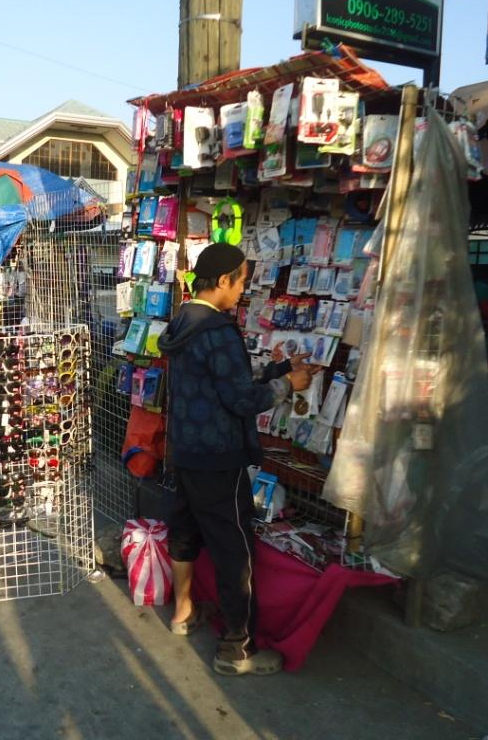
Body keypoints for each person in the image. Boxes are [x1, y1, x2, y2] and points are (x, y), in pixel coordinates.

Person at [156, 243, 315, 678]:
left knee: (185, 529)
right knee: (233, 552)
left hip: (186, 451)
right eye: (242, 280)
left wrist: (278, 372)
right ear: (224, 280)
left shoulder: (183, 323)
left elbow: (221, 386)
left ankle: (183, 613)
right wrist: (290, 387)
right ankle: (237, 649)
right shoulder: (220, 332)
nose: (243, 289)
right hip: (218, 458)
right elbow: (242, 399)